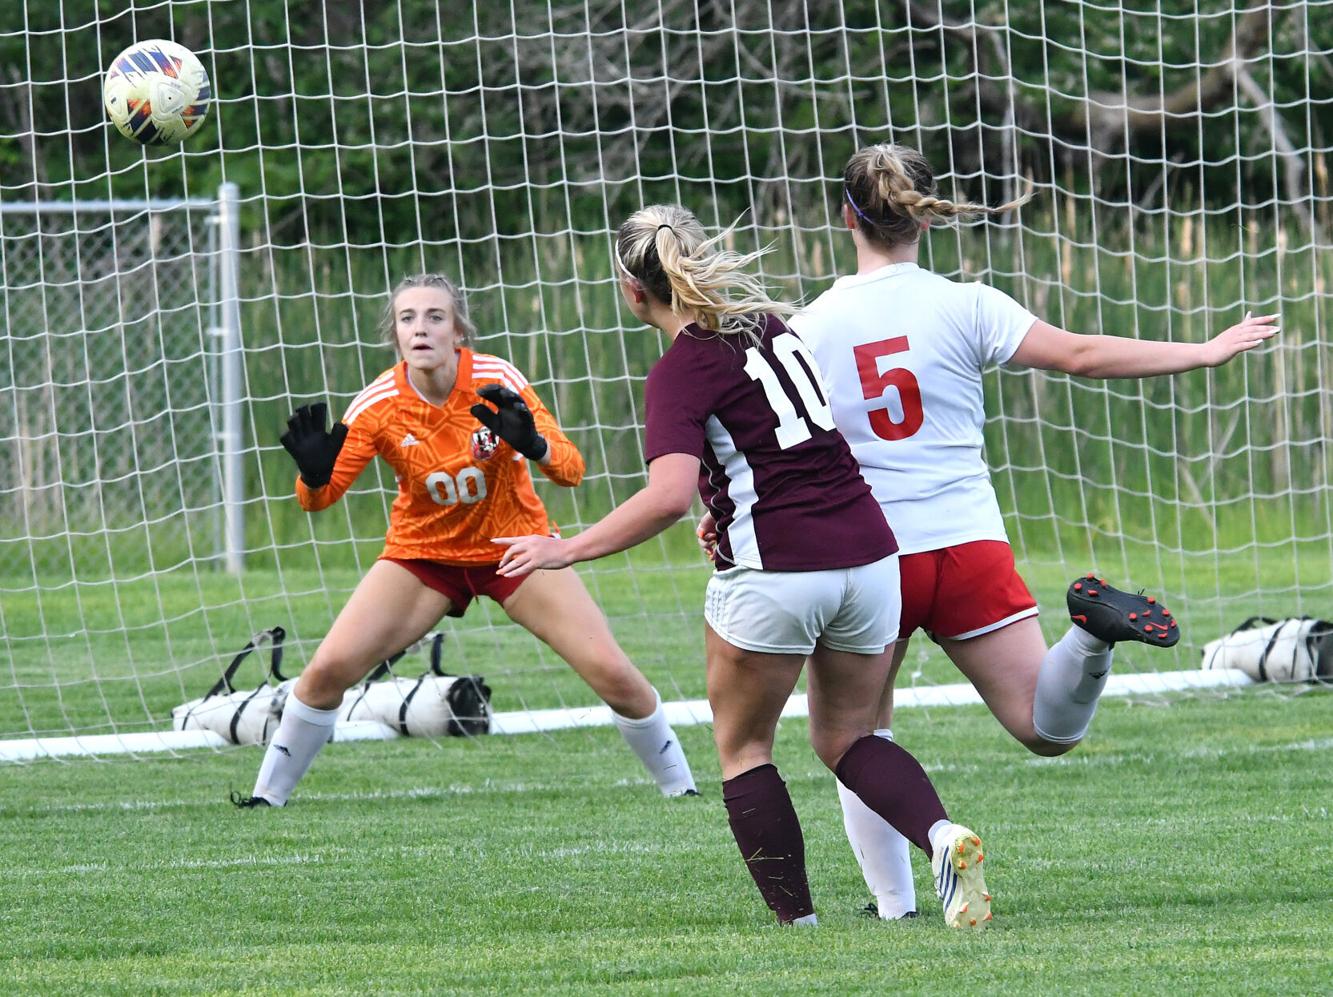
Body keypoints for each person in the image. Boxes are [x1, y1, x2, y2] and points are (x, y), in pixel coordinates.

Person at [770, 141, 1278, 920]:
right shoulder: (966, 302)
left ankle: (897, 904)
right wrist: (1203, 351)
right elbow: (1079, 355)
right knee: (1044, 728)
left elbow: (781, 447)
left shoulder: (806, 327)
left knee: (853, 734)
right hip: (968, 543)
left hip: (872, 558)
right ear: (923, 217)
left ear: (847, 217)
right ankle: (1091, 636)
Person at [494, 205, 993, 929]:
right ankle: (942, 835)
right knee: (848, 736)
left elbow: (665, 496)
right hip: (869, 556)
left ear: (633, 292)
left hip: (777, 569)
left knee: (743, 745)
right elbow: (781, 442)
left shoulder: (679, 369)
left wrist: (563, 547)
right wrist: (720, 501)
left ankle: (798, 924)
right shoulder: (770, 327)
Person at [232, 273, 697, 807]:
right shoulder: (377, 404)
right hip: (422, 557)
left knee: (612, 672)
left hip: (515, 550)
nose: (421, 328)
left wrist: (535, 443)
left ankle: (681, 789)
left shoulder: (497, 379)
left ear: (458, 332)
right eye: (408, 319)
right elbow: (319, 499)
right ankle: (266, 798)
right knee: (325, 673)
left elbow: (571, 470)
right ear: (396, 336)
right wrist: (312, 476)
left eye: (435, 317)